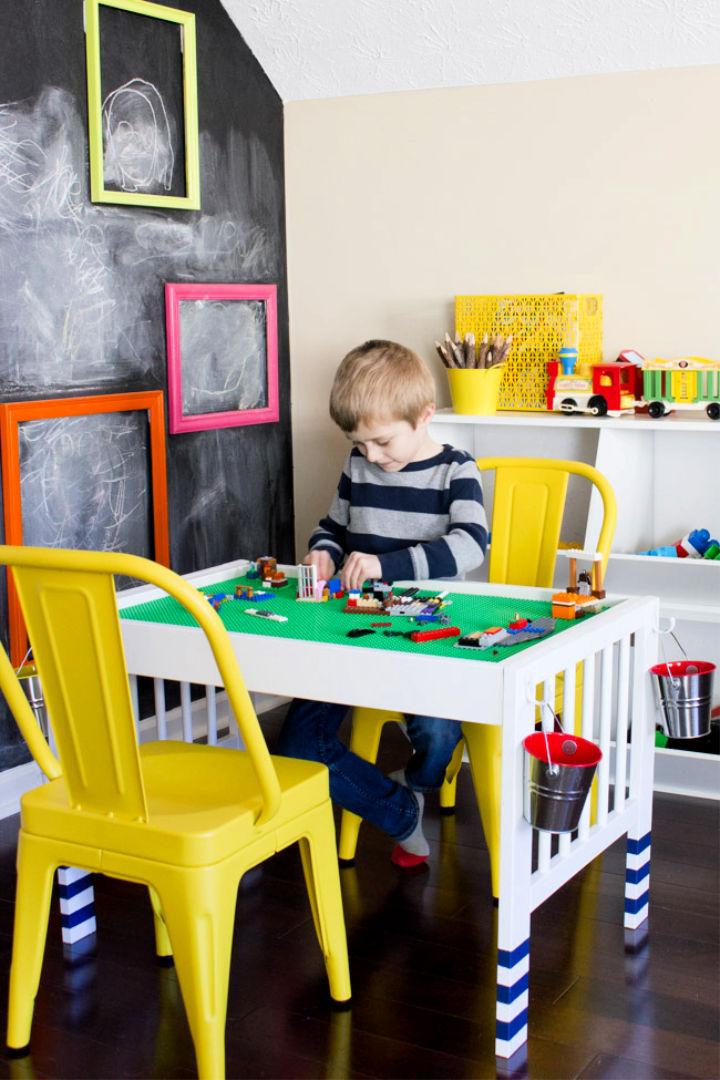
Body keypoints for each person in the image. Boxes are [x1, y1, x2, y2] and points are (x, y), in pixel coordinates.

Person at [277, 340, 487, 866]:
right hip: (352, 633)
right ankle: (399, 810)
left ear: (424, 416)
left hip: (430, 637)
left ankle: (416, 782)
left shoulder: (456, 469)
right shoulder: (360, 464)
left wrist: (384, 566)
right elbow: (333, 526)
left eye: (382, 442)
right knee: (298, 748)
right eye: (360, 443)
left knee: (438, 735)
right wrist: (322, 553)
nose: (371, 456)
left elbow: (471, 545)